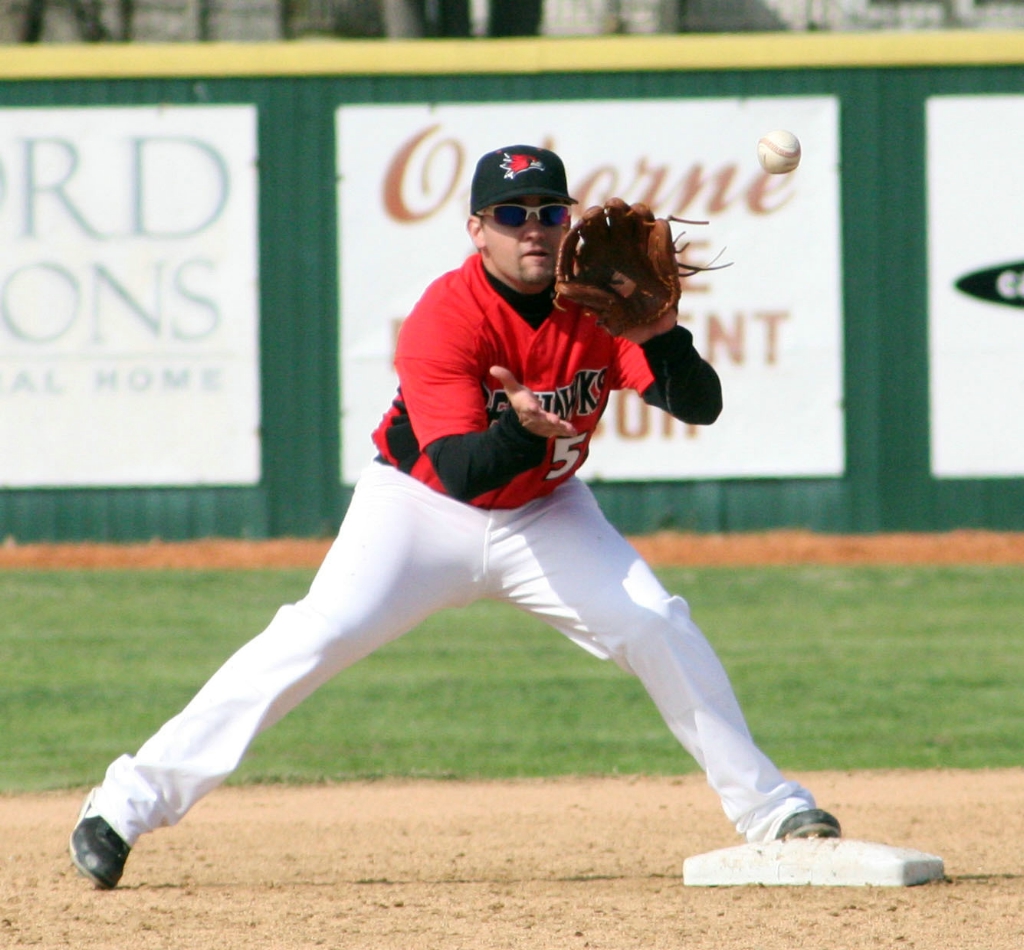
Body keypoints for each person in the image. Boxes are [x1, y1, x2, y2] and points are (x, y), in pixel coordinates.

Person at [70, 144, 840, 890]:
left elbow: (700, 405)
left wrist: (660, 337)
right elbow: (462, 470)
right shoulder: (446, 314)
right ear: (477, 229)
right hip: (420, 510)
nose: (532, 228)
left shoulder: (600, 302)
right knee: (315, 635)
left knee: (655, 623)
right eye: (511, 213)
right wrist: (521, 433)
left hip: (546, 513)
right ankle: (123, 806)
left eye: (549, 211)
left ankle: (774, 811)